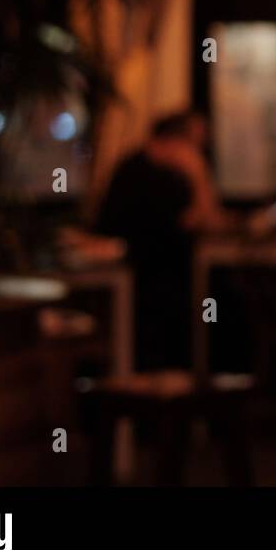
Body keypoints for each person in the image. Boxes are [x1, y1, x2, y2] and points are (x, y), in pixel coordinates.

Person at [95, 110, 228, 372]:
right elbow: (210, 223)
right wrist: (198, 173)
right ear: (175, 142)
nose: (198, 152)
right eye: (195, 145)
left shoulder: (136, 164)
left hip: (148, 282)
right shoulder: (154, 175)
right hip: (151, 287)